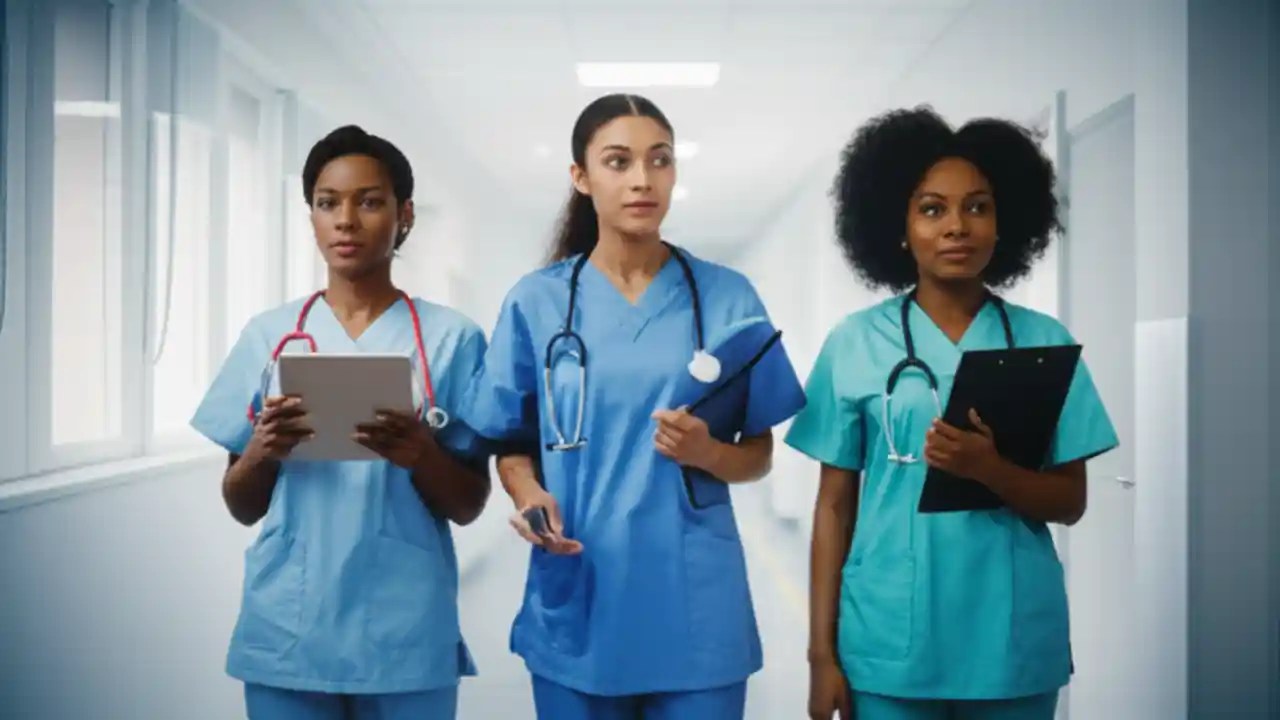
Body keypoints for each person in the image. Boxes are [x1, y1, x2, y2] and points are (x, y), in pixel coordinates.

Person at [457, 93, 806, 720]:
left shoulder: (728, 297)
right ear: (581, 178)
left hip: (697, 609)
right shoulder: (537, 304)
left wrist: (707, 452)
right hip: (583, 592)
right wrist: (529, 495)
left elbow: (758, 455)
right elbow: (510, 440)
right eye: (618, 162)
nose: (642, 179)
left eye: (660, 160)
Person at [786, 106, 1119, 720]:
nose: (957, 226)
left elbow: (1070, 502)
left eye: (978, 206)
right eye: (932, 208)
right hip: (887, 639)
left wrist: (989, 469)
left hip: (1009, 640)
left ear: (1004, 223)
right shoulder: (855, 343)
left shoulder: (1042, 342)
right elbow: (834, 505)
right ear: (899, 226)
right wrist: (820, 656)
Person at [190, 125, 491, 719]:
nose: (346, 220)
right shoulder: (270, 336)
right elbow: (242, 504)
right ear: (311, 218)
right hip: (290, 627)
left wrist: (421, 454)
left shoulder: (452, 339)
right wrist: (262, 450)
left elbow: (468, 503)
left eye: (369, 201)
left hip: (405, 630)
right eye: (328, 203)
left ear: (404, 216)